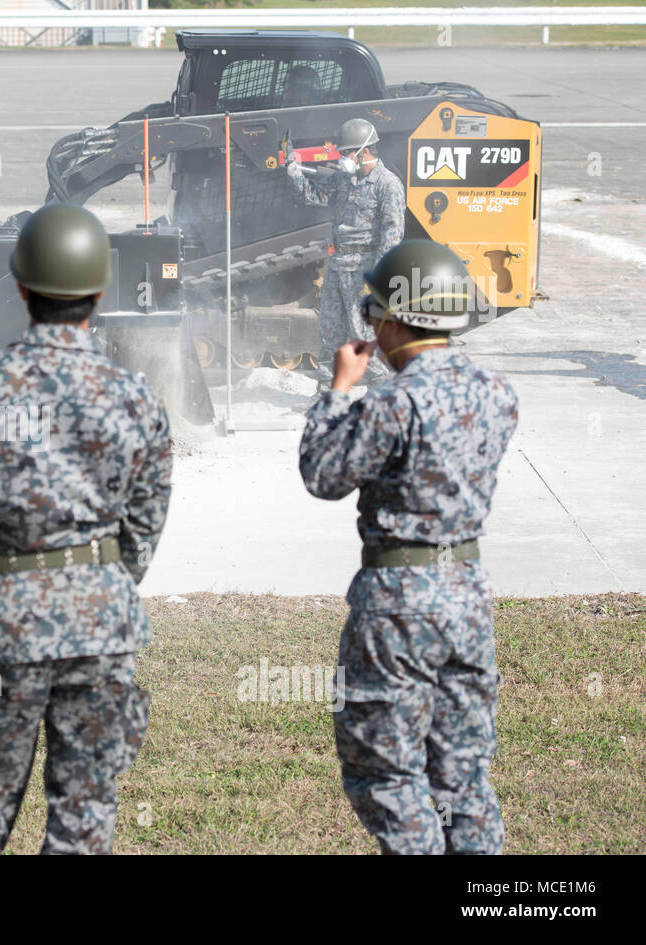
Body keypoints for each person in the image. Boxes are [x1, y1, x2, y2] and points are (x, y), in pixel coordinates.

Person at [0, 204, 173, 855]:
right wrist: (99, 575)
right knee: (85, 810)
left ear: (20, 285)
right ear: (99, 289)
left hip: (5, 621)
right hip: (101, 619)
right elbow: (146, 521)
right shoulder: (134, 394)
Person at [298, 240, 518, 855]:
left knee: (387, 775)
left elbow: (323, 475)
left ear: (394, 319)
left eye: (374, 314)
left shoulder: (392, 403)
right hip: (468, 597)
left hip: (398, 604)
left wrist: (340, 391)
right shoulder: (497, 394)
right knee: (464, 775)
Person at [286, 117, 405, 386]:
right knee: (329, 332)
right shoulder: (344, 179)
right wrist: (293, 171)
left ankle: (378, 389)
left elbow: (392, 236)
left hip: (364, 270)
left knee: (361, 333)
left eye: (345, 152)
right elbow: (313, 196)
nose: (341, 157)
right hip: (338, 264)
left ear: (364, 151)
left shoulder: (388, 185)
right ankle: (328, 391)